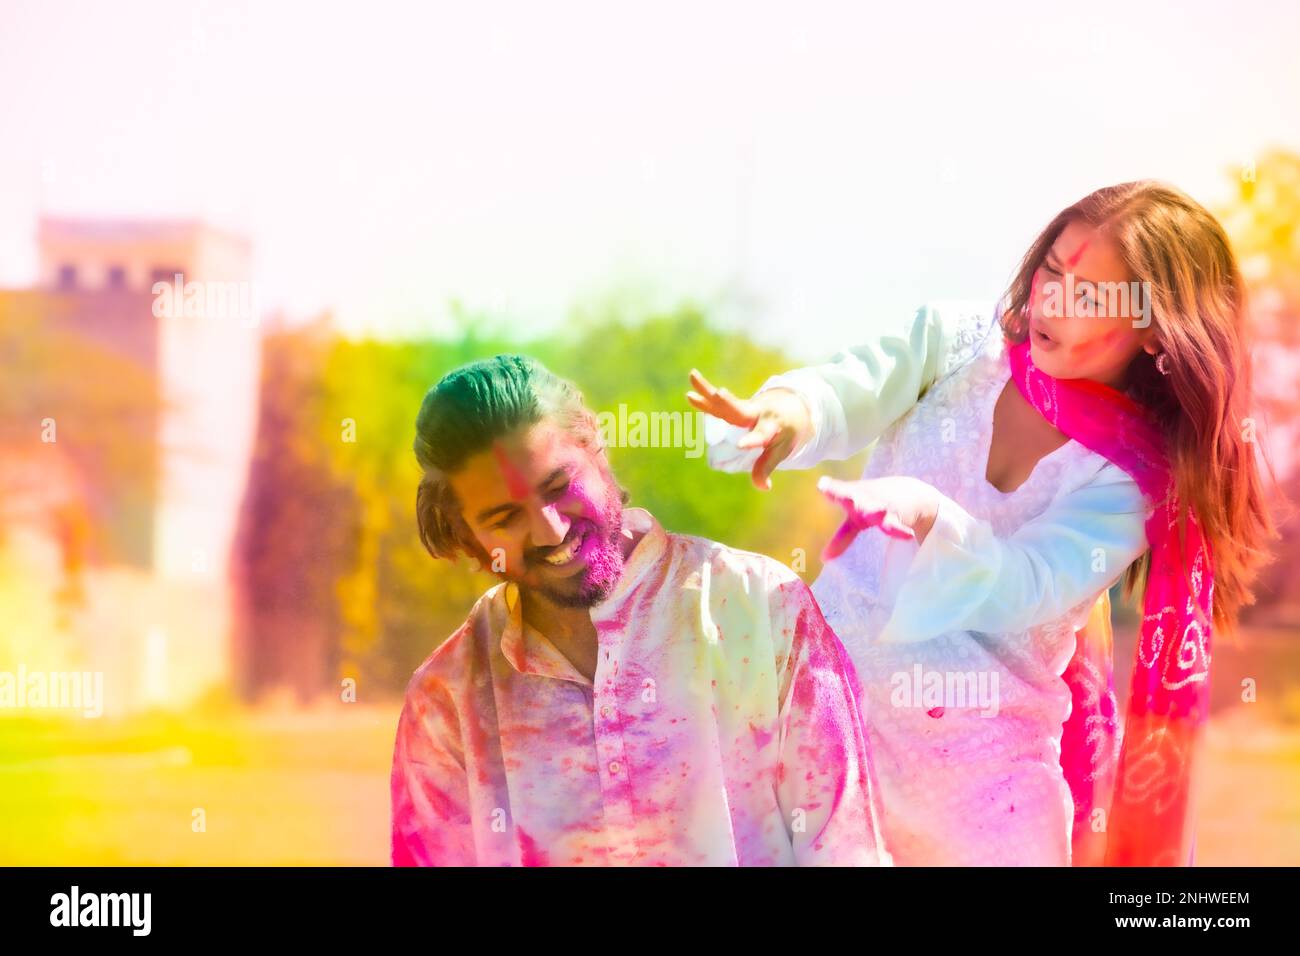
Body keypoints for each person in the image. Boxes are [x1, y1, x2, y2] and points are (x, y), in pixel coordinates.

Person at [691, 181, 1277, 865]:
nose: (1049, 300)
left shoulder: (1126, 478)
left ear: (1153, 329)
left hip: (983, 778)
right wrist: (789, 413)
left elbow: (1026, 585)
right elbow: (851, 386)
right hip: (824, 715)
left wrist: (929, 514)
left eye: (1088, 295)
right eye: (1052, 270)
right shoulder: (958, 343)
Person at [391, 354, 890, 866]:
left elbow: (844, 850)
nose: (551, 531)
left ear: (593, 442)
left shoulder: (761, 610)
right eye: (504, 517)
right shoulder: (446, 700)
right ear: (467, 534)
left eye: (558, 488)